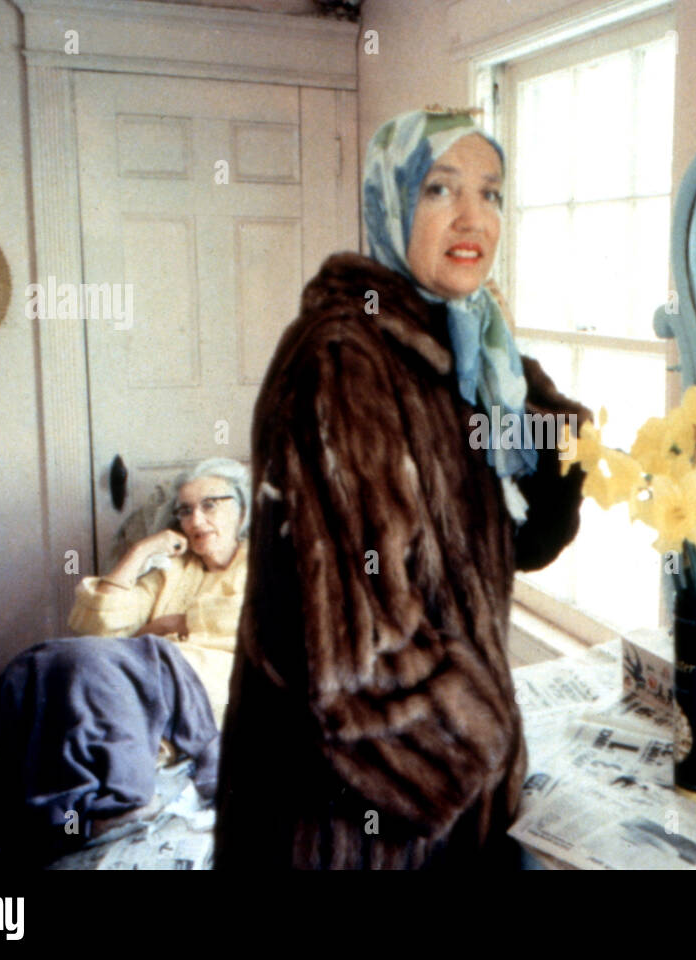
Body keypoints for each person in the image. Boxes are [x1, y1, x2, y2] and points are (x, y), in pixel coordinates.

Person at [214, 110, 590, 870]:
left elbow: (521, 543)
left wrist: (551, 429)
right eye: (439, 189)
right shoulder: (344, 361)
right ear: (391, 204)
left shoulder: (472, 349)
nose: (471, 217)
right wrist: (478, 747)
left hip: (441, 799)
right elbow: (362, 657)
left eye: (491, 194)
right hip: (349, 819)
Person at [0, 457, 250, 862]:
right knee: (46, 661)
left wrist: (174, 621)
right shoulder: (172, 570)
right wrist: (140, 552)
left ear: (242, 510)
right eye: (184, 510)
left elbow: (267, 619)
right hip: (147, 663)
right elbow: (94, 626)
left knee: (95, 668)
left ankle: (124, 796)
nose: (195, 519)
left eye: (210, 504)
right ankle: (75, 803)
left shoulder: (265, 561)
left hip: (217, 668)